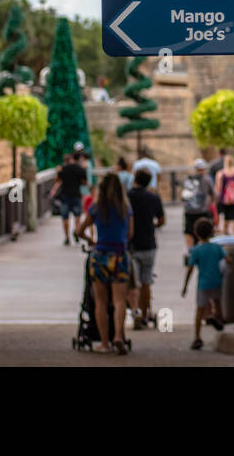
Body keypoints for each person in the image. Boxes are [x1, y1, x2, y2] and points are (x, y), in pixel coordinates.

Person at [78, 172, 134, 355]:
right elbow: (130, 234)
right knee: (119, 301)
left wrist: (91, 240)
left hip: (100, 254)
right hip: (119, 255)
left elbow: (79, 230)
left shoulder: (96, 207)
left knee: (100, 302)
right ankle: (118, 335)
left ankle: (104, 343)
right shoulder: (125, 207)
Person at [126, 168, 165, 330]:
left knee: (133, 282)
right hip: (149, 243)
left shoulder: (127, 196)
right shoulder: (153, 197)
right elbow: (162, 220)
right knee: (146, 280)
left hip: (131, 244)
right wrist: (152, 225)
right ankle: (145, 313)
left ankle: (135, 312)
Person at [181, 216, 225, 350]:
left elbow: (190, 269)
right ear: (212, 232)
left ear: (196, 233)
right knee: (217, 303)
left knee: (199, 310)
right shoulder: (216, 248)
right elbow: (227, 259)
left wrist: (185, 286)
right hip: (216, 281)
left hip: (203, 284)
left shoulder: (196, 250)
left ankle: (197, 337)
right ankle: (219, 321)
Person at [50, 151, 88, 245]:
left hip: (65, 196)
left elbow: (57, 180)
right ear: (78, 159)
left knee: (65, 218)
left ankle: (67, 237)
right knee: (77, 217)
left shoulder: (63, 169)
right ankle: (76, 231)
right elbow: (85, 183)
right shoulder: (80, 169)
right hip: (76, 195)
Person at [181, 159, 214, 249]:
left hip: (189, 211)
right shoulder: (207, 179)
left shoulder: (188, 179)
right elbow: (213, 194)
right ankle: (203, 249)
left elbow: (184, 196)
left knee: (188, 232)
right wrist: (210, 205)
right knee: (204, 231)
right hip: (202, 211)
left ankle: (190, 250)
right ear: (203, 169)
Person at [214, 155, 234, 235]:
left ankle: (226, 234)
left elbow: (218, 188)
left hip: (224, 200)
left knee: (225, 218)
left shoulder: (221, 173)